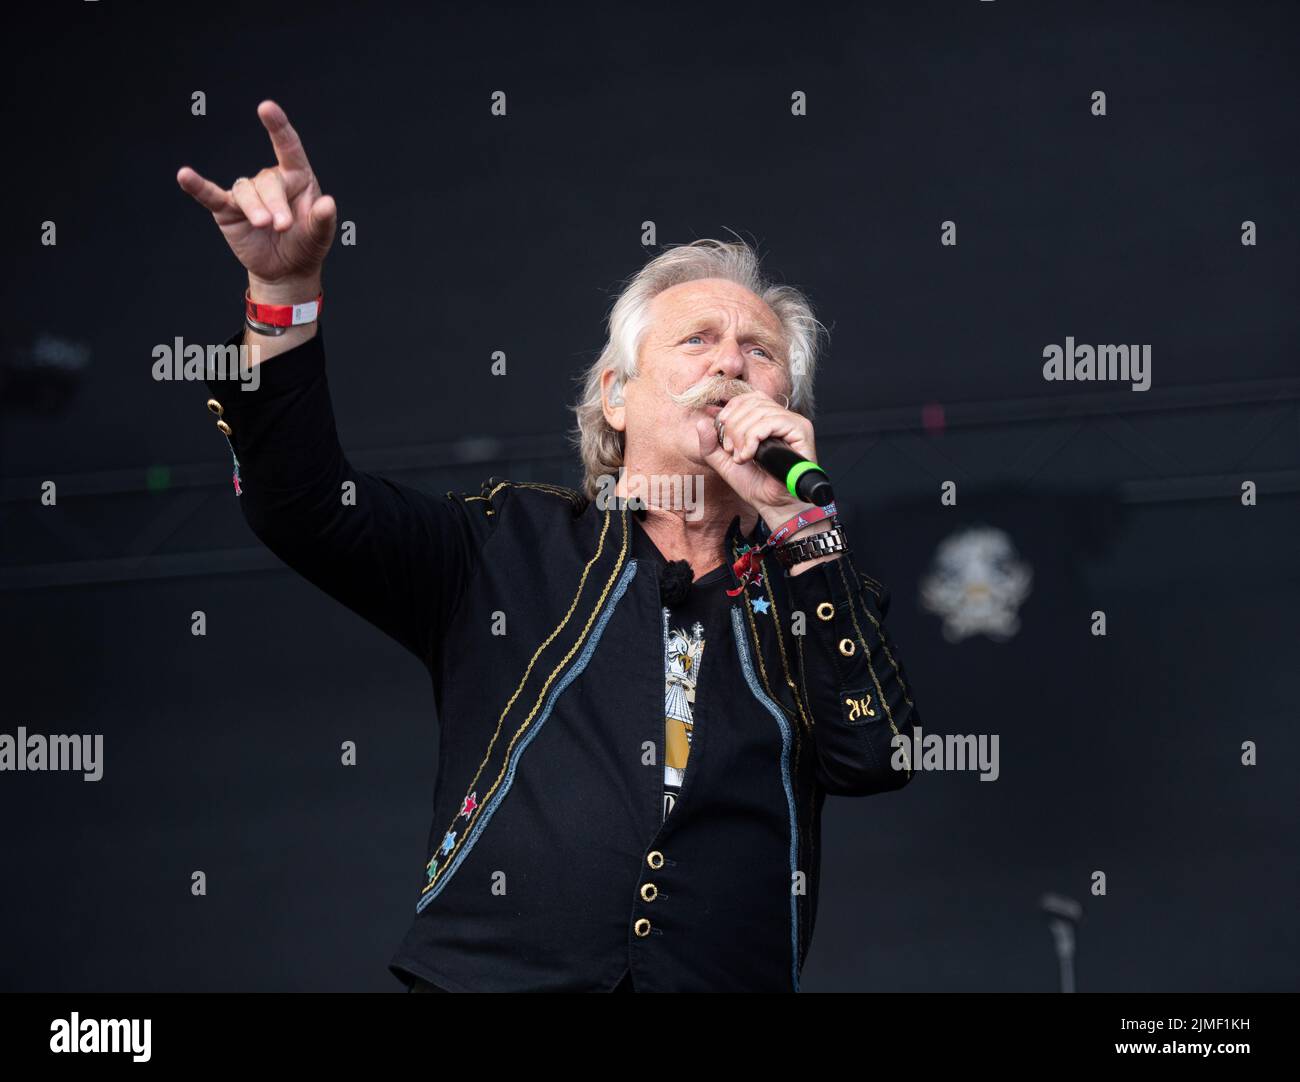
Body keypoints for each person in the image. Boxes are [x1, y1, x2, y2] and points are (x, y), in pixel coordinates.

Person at [177, 100, 921, 993]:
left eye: (760, 353)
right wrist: (284, 297)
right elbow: (301, 506)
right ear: (616, 395)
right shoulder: (504, 547)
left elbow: (879, 756)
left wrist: (801, 526)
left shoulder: (813, 584)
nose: (731, 363)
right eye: (698, 341)